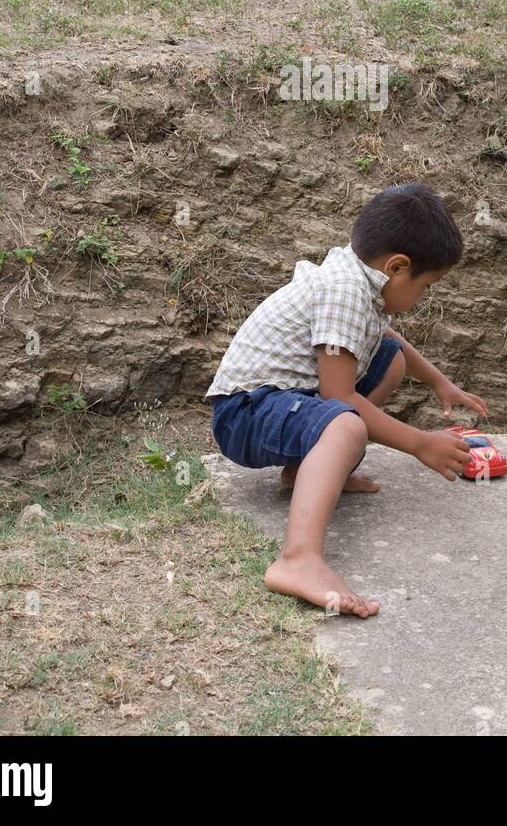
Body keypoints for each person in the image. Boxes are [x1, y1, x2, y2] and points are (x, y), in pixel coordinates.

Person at [206, 182, 488, 618]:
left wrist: (439, 382)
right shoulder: (344, 291)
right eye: (427, 285)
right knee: (346, 423)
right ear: (397, 268)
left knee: (388, 359)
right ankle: (298, 560)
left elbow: (385, 337)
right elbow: (337, 396)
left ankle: (304, 471)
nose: (424, 297)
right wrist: (418, 443)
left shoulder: (357, 278)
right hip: (246, 412)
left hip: (277, 402)